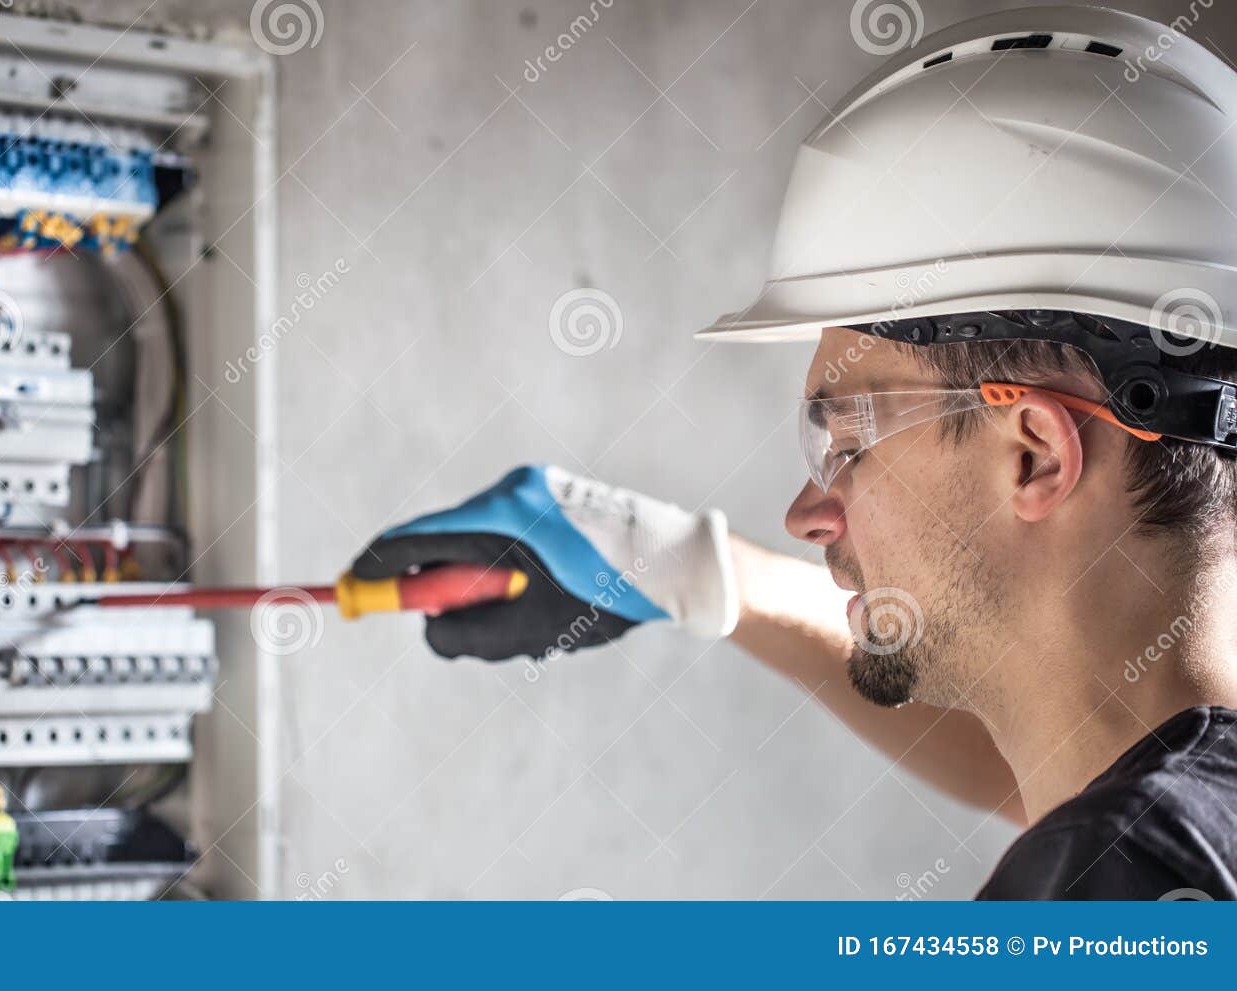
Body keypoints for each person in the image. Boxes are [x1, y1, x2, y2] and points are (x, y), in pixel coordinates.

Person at [348, 6, 1237, 899]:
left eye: (850, 442)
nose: (807, 514)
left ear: (1035, 455)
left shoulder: (1124, 865)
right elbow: (1058, 777)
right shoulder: (1159, 844)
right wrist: (694, 568)